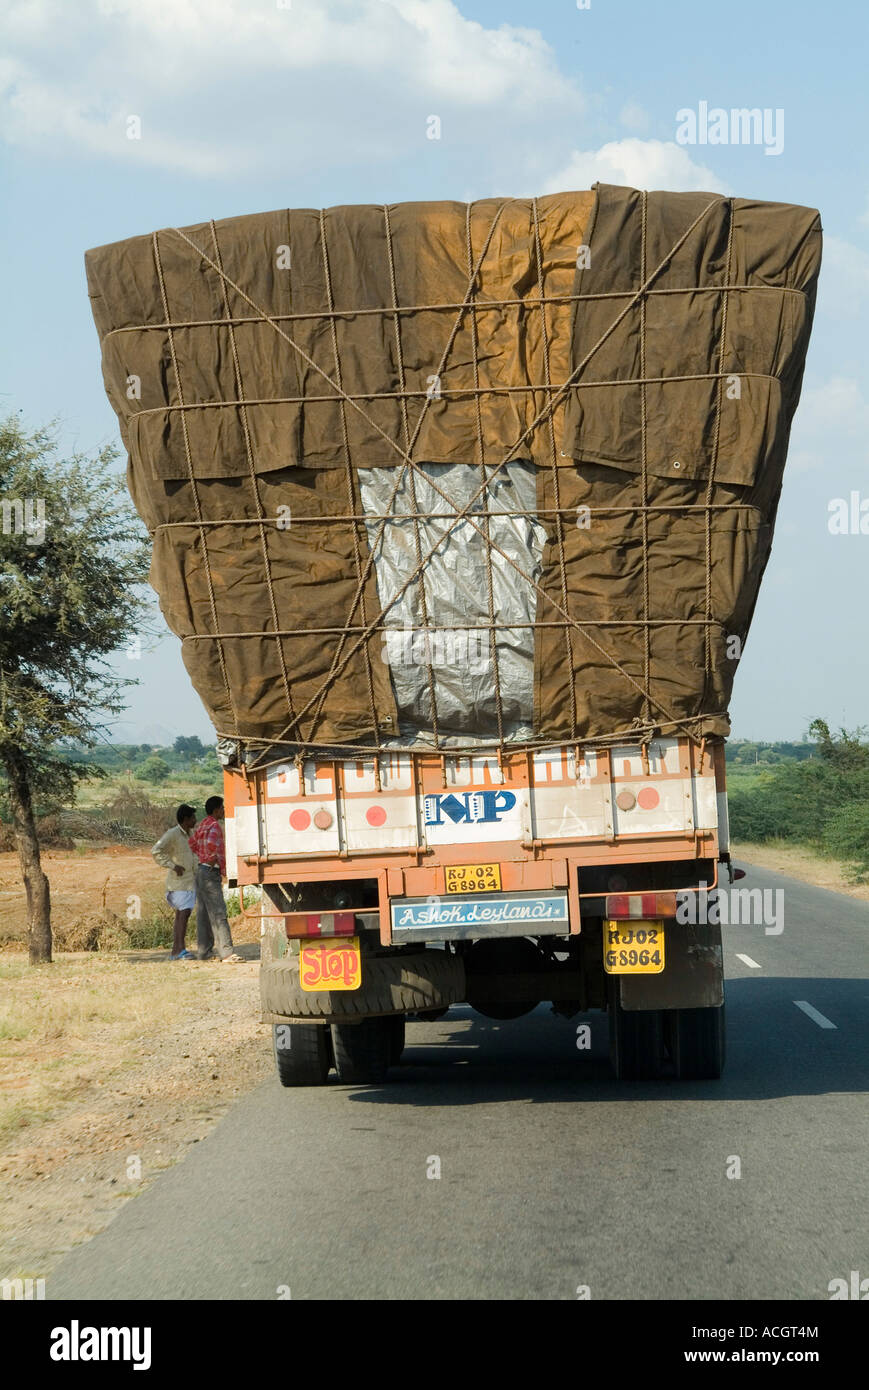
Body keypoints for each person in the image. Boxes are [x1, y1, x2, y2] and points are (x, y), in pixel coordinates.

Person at [188, 795, 243, 963]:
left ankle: (204, 952)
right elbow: (212, 843)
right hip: (211, 873)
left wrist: (202, 856)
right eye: (222, 807)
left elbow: (192, 843)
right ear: (216, 810)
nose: (224, 810)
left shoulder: (202, 824)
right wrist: (212, 857)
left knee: (204, 914)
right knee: (219, 913)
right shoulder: (214, 825)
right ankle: (226, 952)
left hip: (201, 871)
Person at [151, 804, 198, 961]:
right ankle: (179, 950)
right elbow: (156, 851)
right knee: (183, 914)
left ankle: (177, 950)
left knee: (182, 915)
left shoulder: (191, 834)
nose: (195, 820)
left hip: (189, 883)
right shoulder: (172, 834)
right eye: (192, 817)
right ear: (185, 819)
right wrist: (173, 866)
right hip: (178, 884)